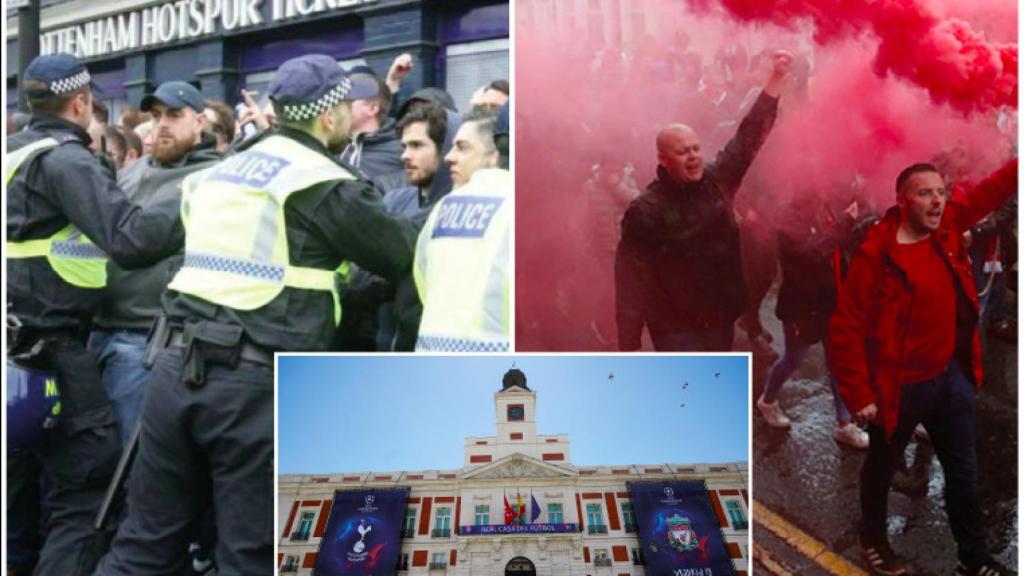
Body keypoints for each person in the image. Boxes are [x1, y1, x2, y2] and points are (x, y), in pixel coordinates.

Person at [94, 54, 417, 575]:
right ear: (330, 114)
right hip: (252, 387)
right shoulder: (317, 179)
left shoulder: (224, 171)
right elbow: (398, 250)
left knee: (144, 549)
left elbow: (144, 240)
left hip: (176, 369)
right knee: (250, 558)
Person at [6, 52, 185, 576]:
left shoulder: (12, 154)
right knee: (87, 492)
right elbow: (129, 239)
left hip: (16, 350)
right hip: (52, 351)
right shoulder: (66, 160)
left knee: (16, 499)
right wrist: (197, 202)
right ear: (81, 101)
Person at [829, 159, 1018, 576]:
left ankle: (974, 559)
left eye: (940, 192)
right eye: (925, 193)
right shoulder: (877, 255)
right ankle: (874, 541)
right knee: (881, 468)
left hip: (951, 379)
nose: (937, 201)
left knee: (964, 474)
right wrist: (859, 396)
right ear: (902, 201)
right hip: (899, 388)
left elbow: (989, 191)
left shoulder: (948, 225)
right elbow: (845, 328)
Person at [615, 50, 793, 352]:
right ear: (664, 159)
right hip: (675, 329)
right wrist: (630, 346)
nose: (694, 156)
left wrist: (775, 80)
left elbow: (748, 137)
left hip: (719, 318)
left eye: (696, 148)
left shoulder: (717, 181)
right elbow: (631, 282)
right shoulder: (646, 211)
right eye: (684, 152)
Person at [88, 81, 222, 447]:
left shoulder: (216, 176)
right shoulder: (132, 171)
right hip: (98, 326)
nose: (162, 124)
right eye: (156, 115)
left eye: (174, 115)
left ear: (200, 121)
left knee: (132, 455)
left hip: (147, 334)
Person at [756, 194, 872, 449]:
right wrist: (845, 222)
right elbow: (813, 253)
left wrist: (862, 223)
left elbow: (843, 245)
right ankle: (767, 399)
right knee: (792, 359)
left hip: (832, 302)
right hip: (802, 308)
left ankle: (844, 424)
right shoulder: (788, 217)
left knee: (838, 362)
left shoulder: (825, 206)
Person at [414, 105, 510, 352]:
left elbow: (423, 281)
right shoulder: (521, 207)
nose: (449, 156)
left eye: (463, 147)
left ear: (494, 156)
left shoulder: (444, 207)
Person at [339, 68, 405, 192]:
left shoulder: (402, 150)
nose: (338, 107)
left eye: (348, 101)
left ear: (373, 108)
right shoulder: (329, 146)